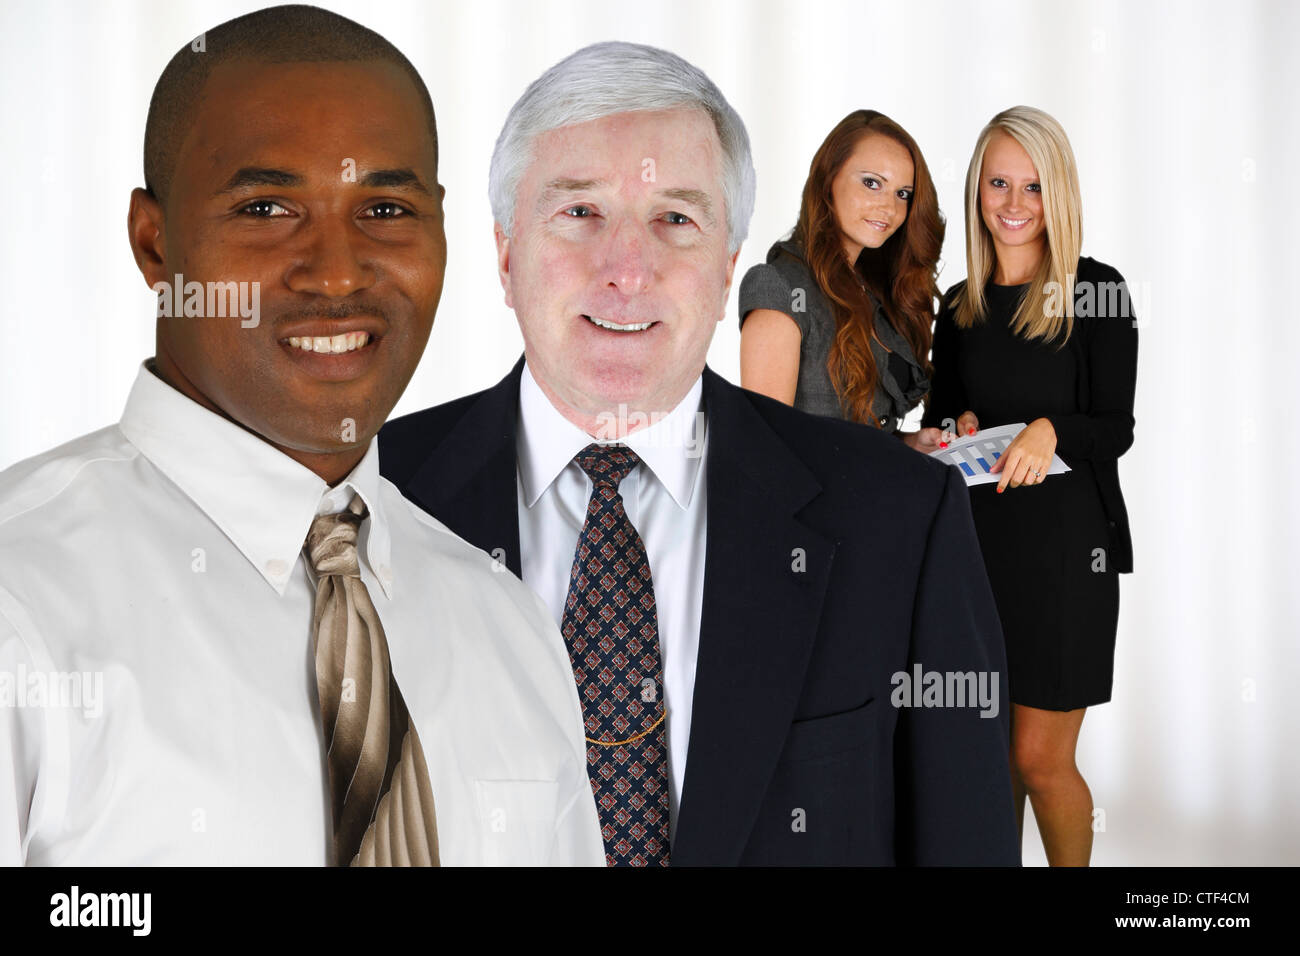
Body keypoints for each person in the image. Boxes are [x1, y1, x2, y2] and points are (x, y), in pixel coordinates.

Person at [380, 41, 1020, 866]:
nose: (627, 269)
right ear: (506, 255)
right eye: (579, 212)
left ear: (725, 271)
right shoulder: (365, 496)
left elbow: (965, 840)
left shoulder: (902, 516)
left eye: (675, 219)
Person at [0, 5, 603, 867]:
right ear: (154, 243)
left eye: (386, 208)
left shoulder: (509, 629)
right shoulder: (20, 604)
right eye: (268, 205)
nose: (337, 271)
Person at [922, 106, 1138, 866]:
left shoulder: (1096, 291)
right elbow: (943, 418)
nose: (1014, 204)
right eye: (998, 183)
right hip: (977, 553)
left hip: (1065, 557)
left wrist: (1052, 429)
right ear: (978, 189)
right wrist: (961, 422)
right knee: (990, 761)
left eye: (1034, 187)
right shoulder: (960, 304)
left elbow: (1116, 425)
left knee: (1041, 761)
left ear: (1060, 194)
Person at [738, 110, 945, 451]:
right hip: (819, 504)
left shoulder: (871, 288)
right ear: (828, 179)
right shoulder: (780, 286)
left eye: (902, 194)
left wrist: (907, 444)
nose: (889, 208)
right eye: (872, 183)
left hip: (876, 497)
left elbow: (855, 435)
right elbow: (765, 447)